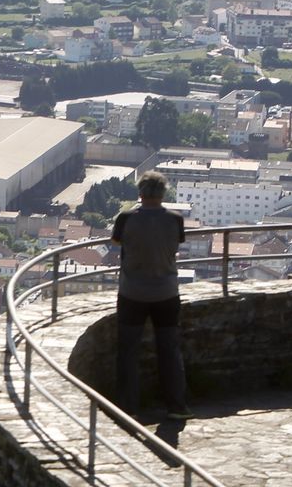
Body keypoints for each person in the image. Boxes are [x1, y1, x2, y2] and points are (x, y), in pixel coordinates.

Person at [111, 171, 193, 421]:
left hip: (132, 292)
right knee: (169, 349)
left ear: (140, 192)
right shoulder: (175, 219)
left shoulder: (125, 218)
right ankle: (176, 405)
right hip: (166, 292)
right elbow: (176, 244)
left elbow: (116, 242)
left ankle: (128, 408)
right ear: (163, 193)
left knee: (128, 350)